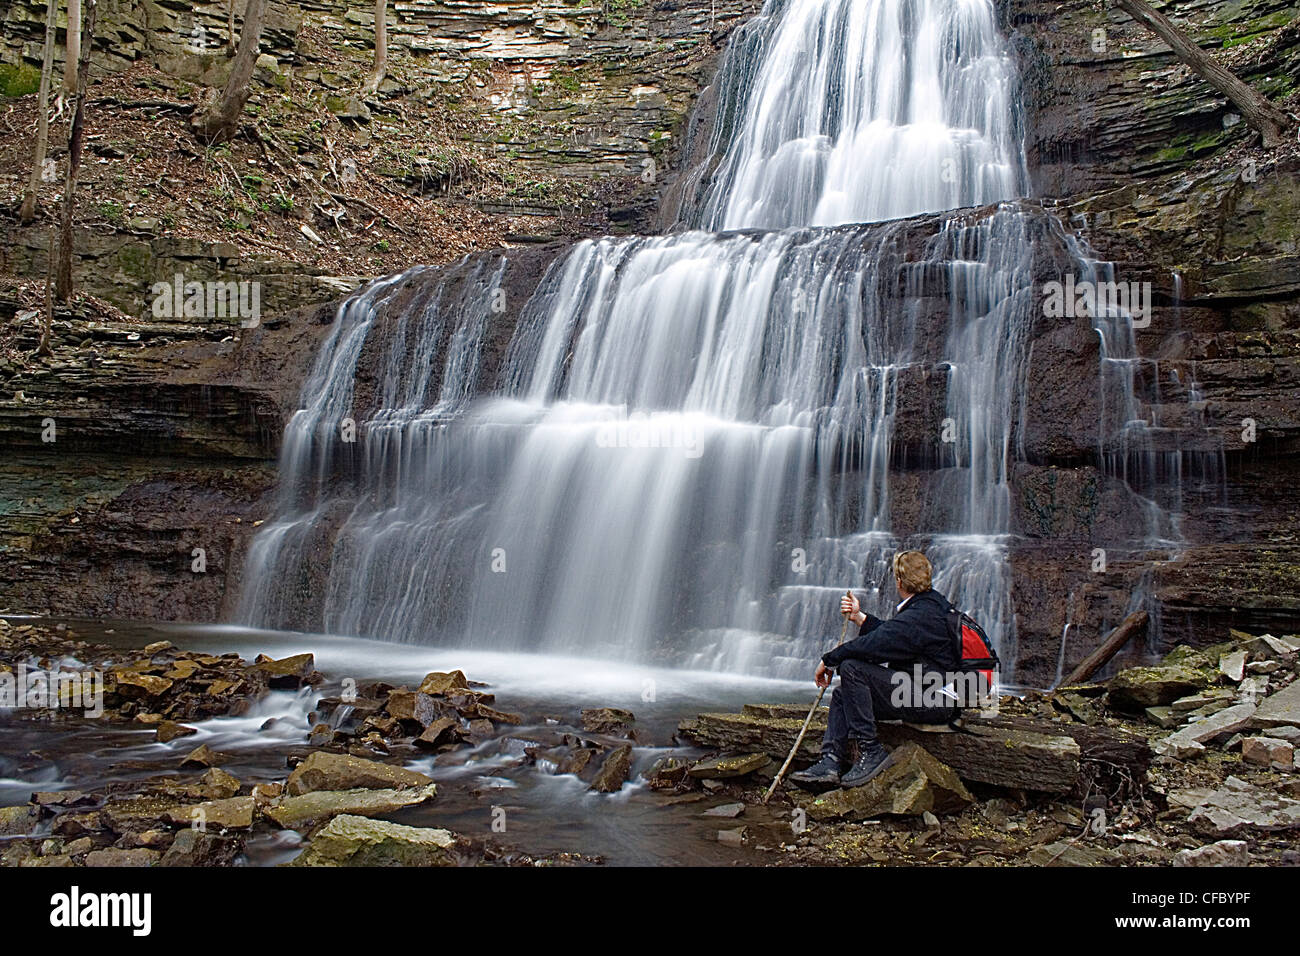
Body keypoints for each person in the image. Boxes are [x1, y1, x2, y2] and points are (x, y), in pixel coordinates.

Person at [791, 550, 959, 789]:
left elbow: (878, 643)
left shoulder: (920, 615)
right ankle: (830, 761)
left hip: (935, 701)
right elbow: (890, 635)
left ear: (899, 582)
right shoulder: (930, 605)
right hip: (927, 693)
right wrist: (859, 617)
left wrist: (828, 660)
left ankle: (871, 751)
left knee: (851, 668)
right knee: (842, 694)